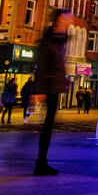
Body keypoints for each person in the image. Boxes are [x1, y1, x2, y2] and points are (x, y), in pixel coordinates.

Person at [33, 10, 72, 175]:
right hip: (48, 87)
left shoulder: (58, 41)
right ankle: (40, 163)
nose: (69, 21)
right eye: (66, 19)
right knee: (47, 127)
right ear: (58, 20)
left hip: (54, 87)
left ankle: (42, 162)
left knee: (48, 126)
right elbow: (41, 66)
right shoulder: (48, 42)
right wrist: (39, 90)